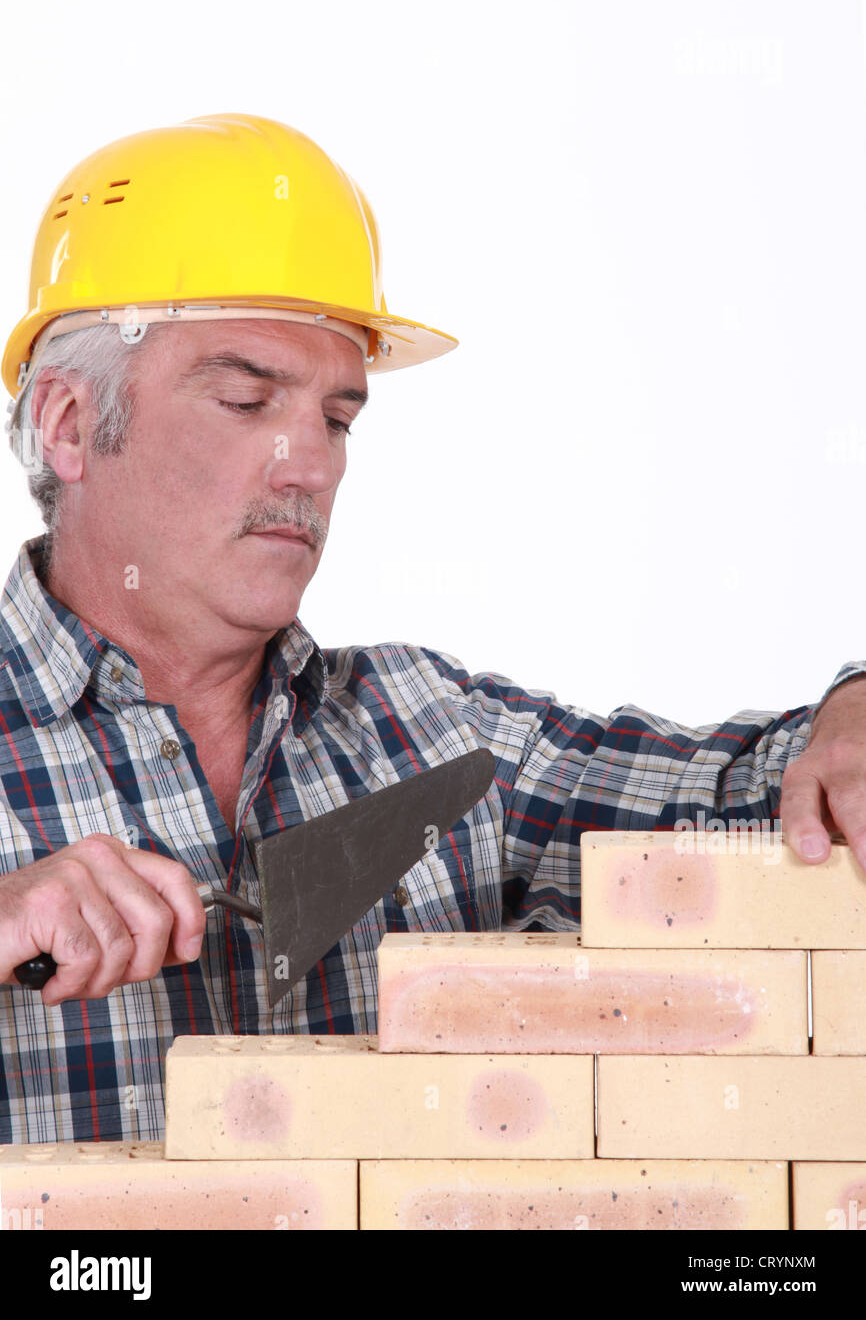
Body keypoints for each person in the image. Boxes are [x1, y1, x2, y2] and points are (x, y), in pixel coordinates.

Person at [0, 113, 864, 1145]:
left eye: (335, 418)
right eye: (245, 399)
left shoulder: (431, 736)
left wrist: (849, 714)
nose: (309, 466)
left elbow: (757, 794)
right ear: (65, 423)